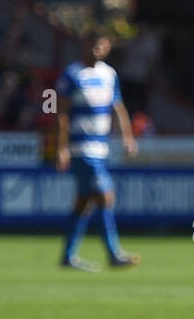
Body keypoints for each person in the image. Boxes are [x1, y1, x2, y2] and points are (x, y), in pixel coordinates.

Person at [55, 30, 140, 271]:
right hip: (80, 148)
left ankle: (68, 256)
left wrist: (127, 136)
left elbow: (118, 107)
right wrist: (61, 148)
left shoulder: (109, 74)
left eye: (100, 44)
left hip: (100, 148)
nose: (96, 48)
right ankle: (114, 254)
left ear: (108, 47)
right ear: (83, 44)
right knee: (105, 195)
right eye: (91, 42)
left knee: (84, 202)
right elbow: (61, 114)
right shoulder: (72, 74)